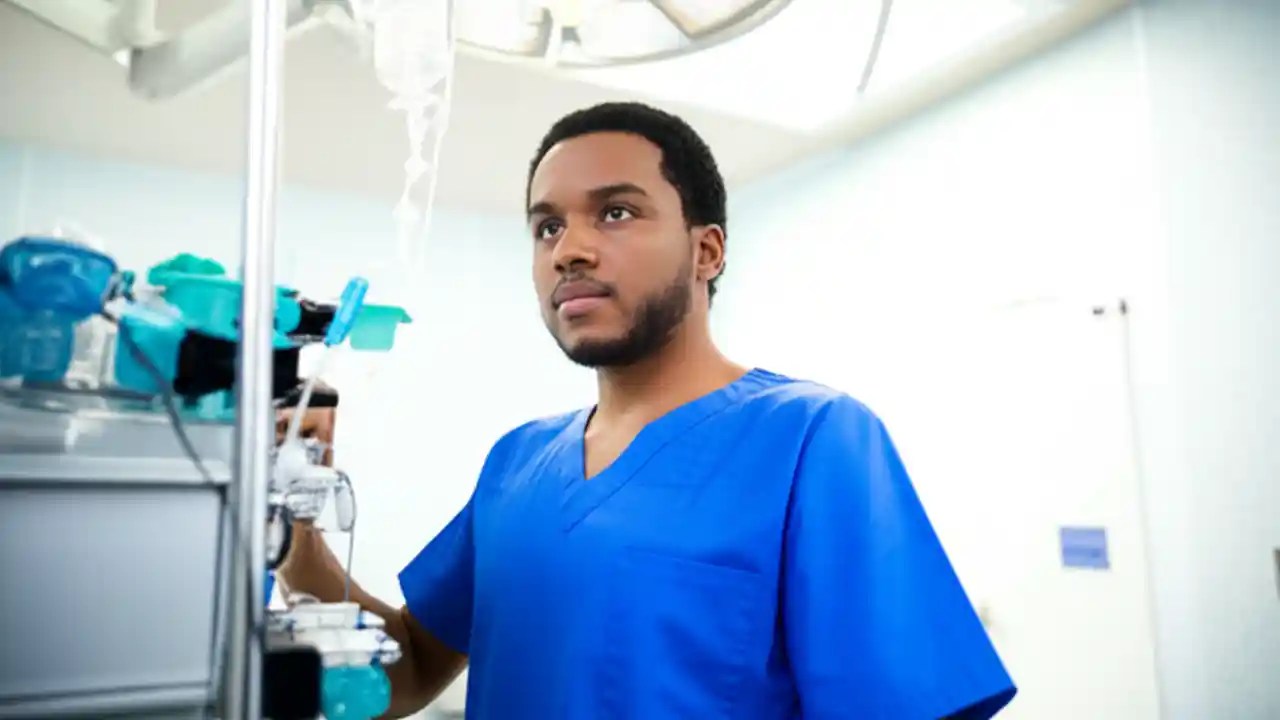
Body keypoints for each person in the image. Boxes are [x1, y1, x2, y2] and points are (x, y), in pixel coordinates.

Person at [279, 101, 1017, 719]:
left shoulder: (811, 438)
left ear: (707, 251)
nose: (569, 249)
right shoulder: (517, 461)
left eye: (617, 212)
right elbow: (402, 671)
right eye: (547, 227)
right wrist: (293, 533)